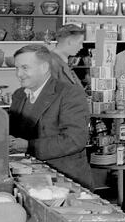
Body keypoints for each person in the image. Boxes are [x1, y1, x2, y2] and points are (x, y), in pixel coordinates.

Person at [8, 44, 93, 186]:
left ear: (44, 68)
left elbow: (75, 140)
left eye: (25, 68)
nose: (19, 74)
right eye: (16, 68)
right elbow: (14, 132)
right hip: (29, 177)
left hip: (65, 180)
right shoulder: (19, 95)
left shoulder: (69, 94)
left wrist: (29, 146)